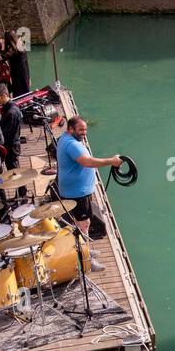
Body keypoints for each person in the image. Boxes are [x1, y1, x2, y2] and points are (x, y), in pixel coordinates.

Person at [56, 115, 123, 272]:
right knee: (83, 225)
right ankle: (87, 260)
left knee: (82, 223)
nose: (84, 133)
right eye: (80, 130)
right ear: (70, 129)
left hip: (78, 190)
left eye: (85, 130)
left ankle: (85, 249)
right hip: (77, 192)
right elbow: (87, 162)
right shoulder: (72, 144)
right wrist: (111, 161)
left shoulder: (65, 139)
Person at [0, 83, 23, 171]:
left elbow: (8, 134)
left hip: (11, 148)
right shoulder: (8, 108)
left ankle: (22, 185)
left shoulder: (11, 112)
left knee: (14, 172)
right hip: (10, 146)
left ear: (4, 95)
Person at [2, 30, 31, 96]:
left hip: (17, 74)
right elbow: (26, 62)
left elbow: (2, 58)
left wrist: (3, 46)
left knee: (18, 92)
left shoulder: (12, 50)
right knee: (25, 90)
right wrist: (29, 77)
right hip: (25, 72)